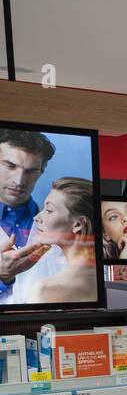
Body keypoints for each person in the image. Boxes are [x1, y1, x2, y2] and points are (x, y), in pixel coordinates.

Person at [13, 177, 100, 305]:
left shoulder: (44, 291)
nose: (37, 218)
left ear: (77, 225)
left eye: (49, 210)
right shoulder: (106, 282)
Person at [0, 129, 59, 302]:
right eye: (10, 166)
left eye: (31, 170)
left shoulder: (61, 227)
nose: (19, 181)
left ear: (42, 170)